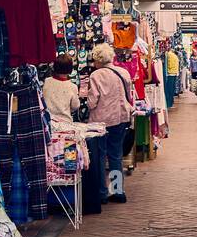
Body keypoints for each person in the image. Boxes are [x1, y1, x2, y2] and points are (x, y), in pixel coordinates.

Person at [86, 42, 134, 203]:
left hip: (100, 122)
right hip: (120, 118)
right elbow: (129, 95)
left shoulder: (96, 75)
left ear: (98, 59)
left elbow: (92, 102)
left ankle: (102, 192)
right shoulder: (123, 72)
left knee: (99, 156)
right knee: (116, 155)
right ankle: (118, 191)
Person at [42, 54, 80, 123]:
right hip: (65, 123)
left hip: (48, 122)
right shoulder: (73, 87)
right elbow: (75, 106)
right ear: (70, 69)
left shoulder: (47, 81)